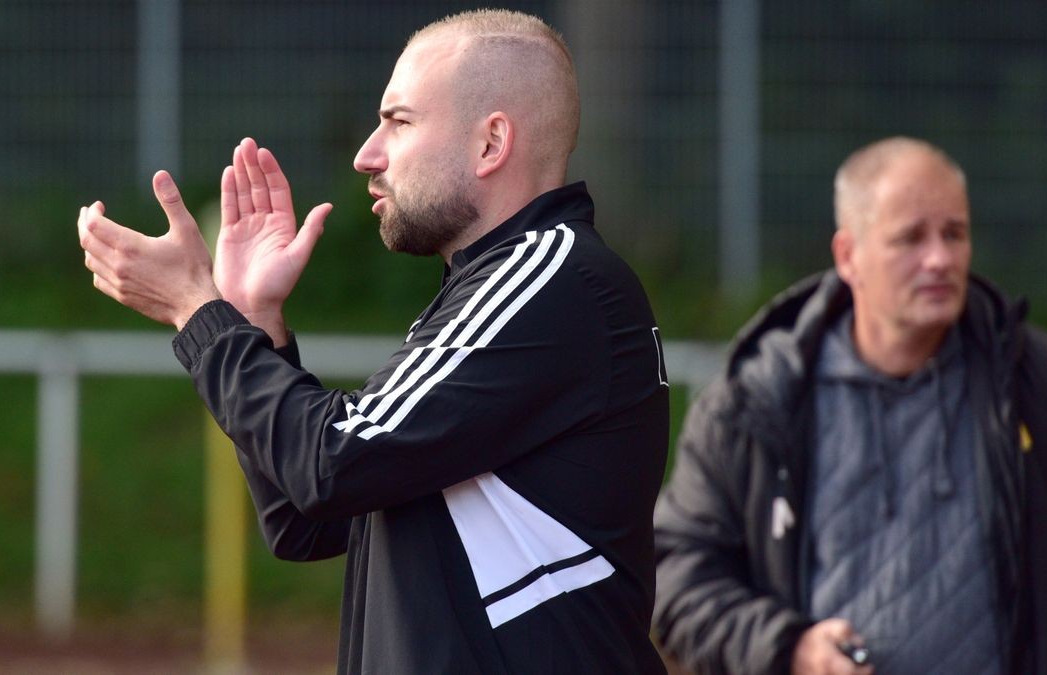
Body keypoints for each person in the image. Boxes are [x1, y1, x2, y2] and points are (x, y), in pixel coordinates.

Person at [77, 9, 670, 674]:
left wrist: (199, 312)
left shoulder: (553, 279)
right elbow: (309, 517)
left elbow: (331, 463)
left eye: (399, 121)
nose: (368, 153)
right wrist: (254, 319)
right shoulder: (498, 291)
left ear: (490, 143)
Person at [653, 136, 1047, 675]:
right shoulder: (755, 402)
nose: (939, 258)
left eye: (954, 234)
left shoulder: (1040, 384)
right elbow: (678, 575)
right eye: (911, 238)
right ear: (849, 256)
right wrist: (788, 649)